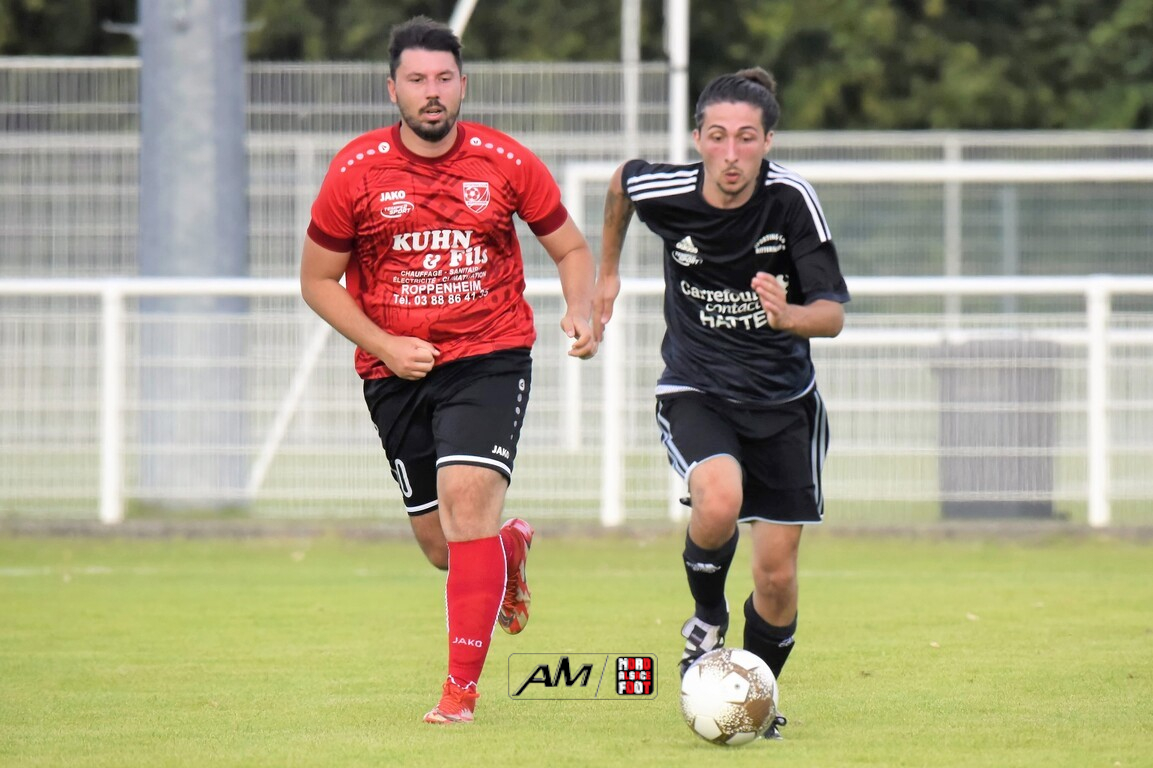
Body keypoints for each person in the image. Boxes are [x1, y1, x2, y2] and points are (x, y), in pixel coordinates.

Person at [300, 16, 598, 725]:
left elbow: (572, 249)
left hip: (489, 355)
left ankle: (458, 696)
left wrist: (581, 309)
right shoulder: (354, 171)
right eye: (416, 81)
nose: (431, 94)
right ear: (391, 90)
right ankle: (510, 548)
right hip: (393, 371)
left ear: (462, 85)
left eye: (442, 80)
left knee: (466, 503)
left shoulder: (505, 161)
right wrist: (386, 343)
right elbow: (316, 281)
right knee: (444, 547)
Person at [593, 67, 849, 739]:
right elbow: (621, 183)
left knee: (775, 577)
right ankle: (706, 619)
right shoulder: (668, 190)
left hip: (783, 401)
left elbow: (830, 316)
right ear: (697, 139)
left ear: (767, 141)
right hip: (697, 385)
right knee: (717, 500)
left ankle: (753, 700)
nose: (730, 155)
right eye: (716, 137)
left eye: (745, 138)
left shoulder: (791, 200)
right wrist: (608, 273)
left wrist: (786, 314)